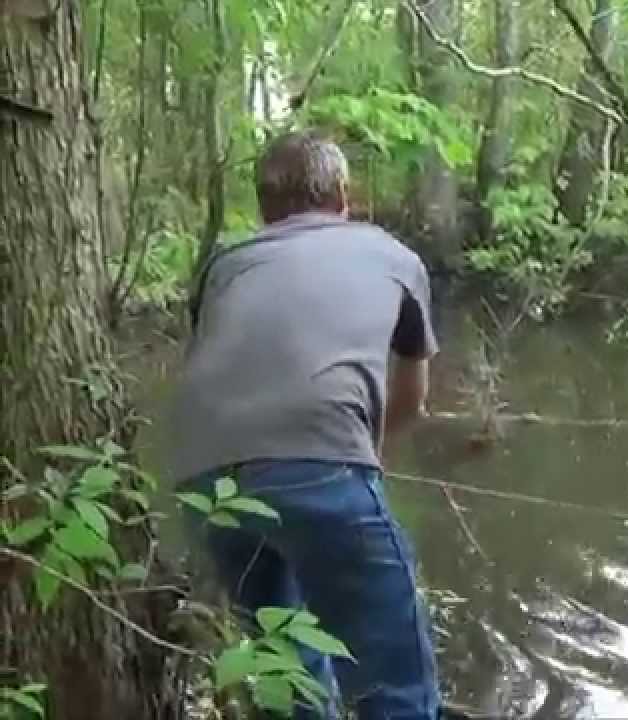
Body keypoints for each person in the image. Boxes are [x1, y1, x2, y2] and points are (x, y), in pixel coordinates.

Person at [169, 130, 442, 719]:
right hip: (321, 462)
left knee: (283, 663)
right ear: (343, 194)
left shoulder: (225, 264)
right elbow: (413, 400)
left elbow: (218, 364)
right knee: (393, 680)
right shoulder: (394, 257)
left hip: (203, 479)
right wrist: (355, 459)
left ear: (264, 206)